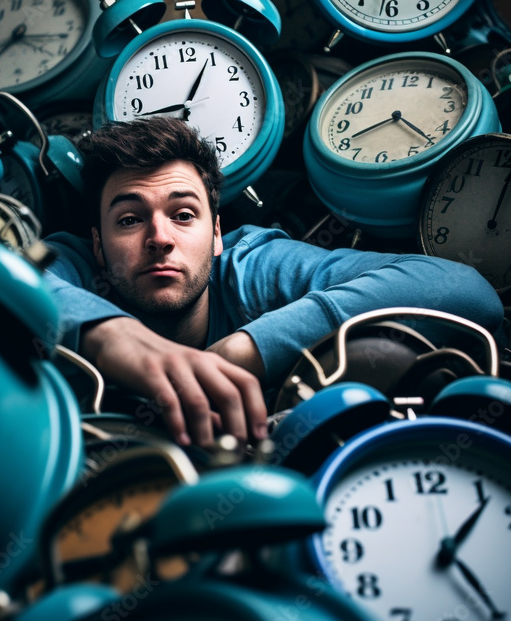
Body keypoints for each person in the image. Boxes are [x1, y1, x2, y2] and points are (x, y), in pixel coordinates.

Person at [44, 117, 504, 448]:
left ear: (218, 233)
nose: (160, 238)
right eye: (129, 219)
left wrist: (245, 350)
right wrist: (112, 336)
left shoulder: (252, 267)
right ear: (98, 246)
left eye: (184, 215)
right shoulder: (71, 266)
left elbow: (465, 290)